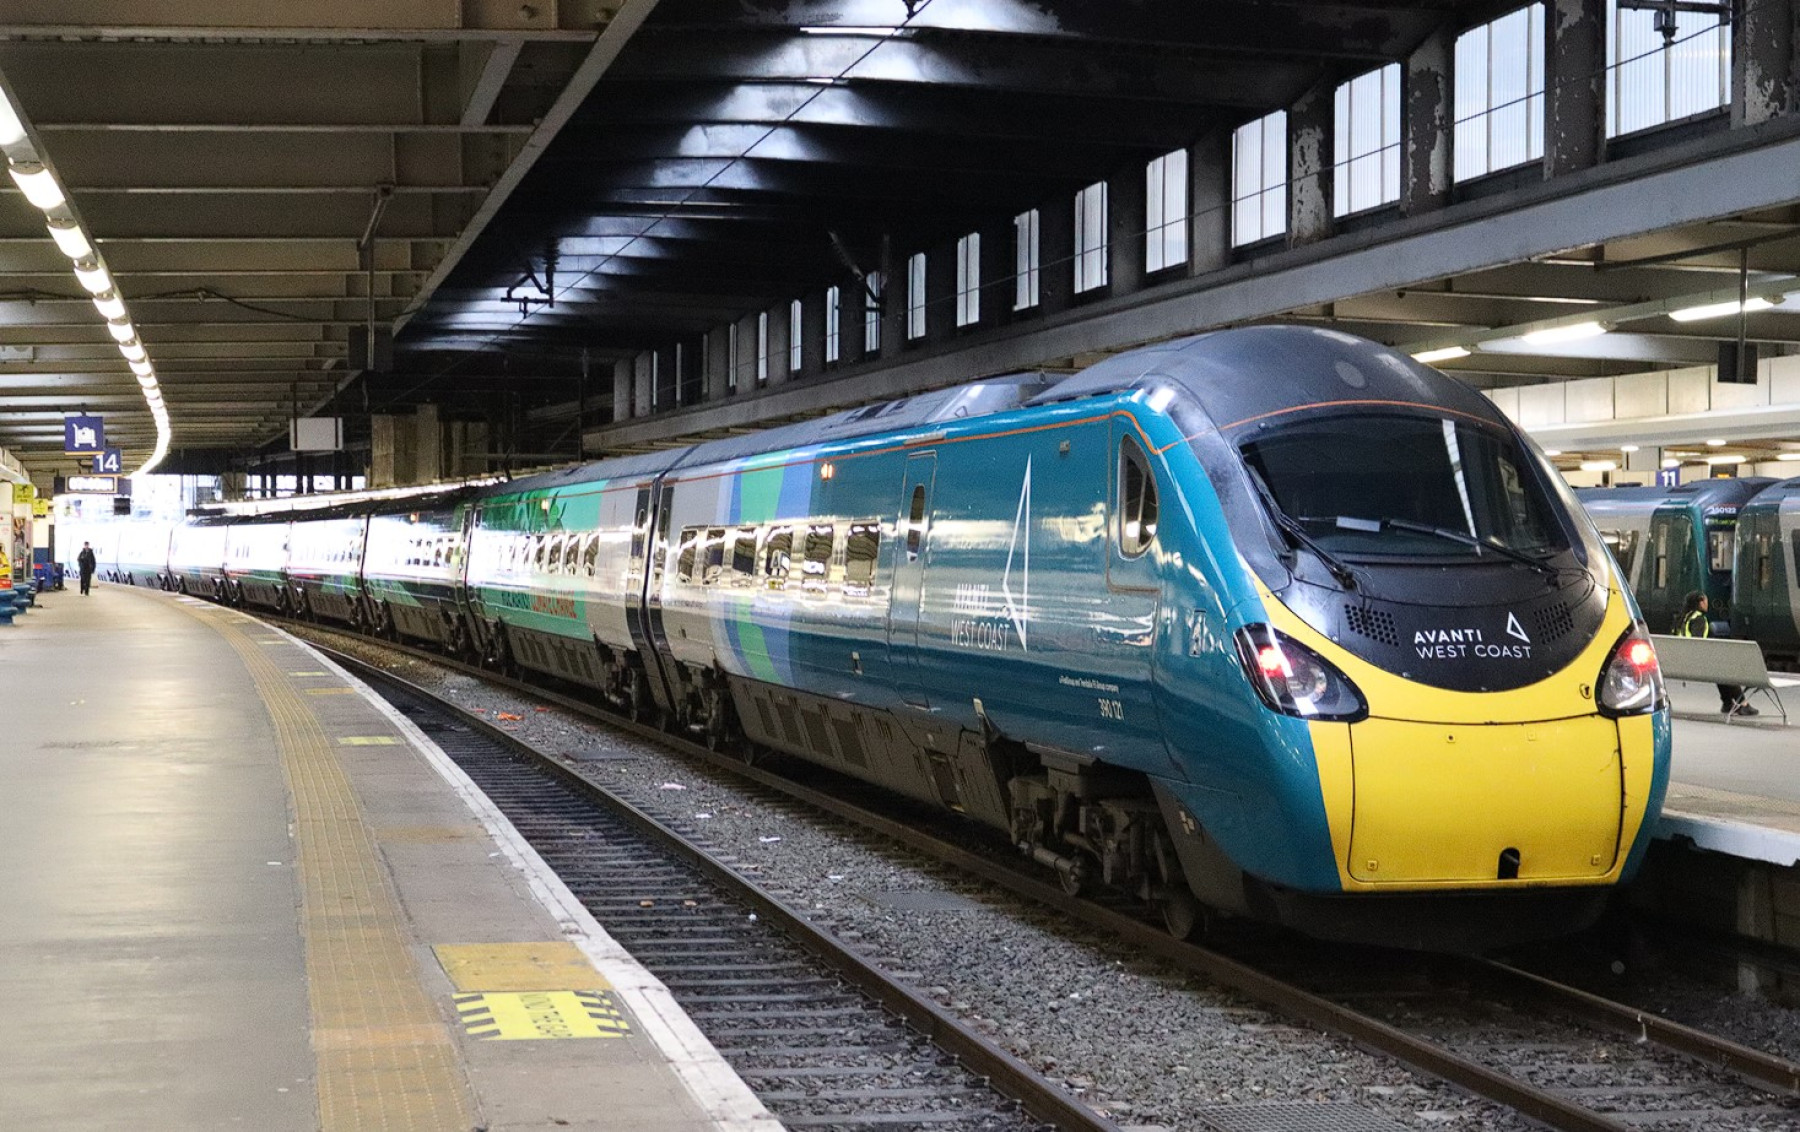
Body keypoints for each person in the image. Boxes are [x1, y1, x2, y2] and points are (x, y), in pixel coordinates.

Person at [1675, 590, 1757, 717]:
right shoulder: (1699, 619)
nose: (1707, 603)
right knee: (1724, 669)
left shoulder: (1682, 619)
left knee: (1719, 667)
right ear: (1700, 603)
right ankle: (1743, 704)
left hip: (1681, 662)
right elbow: (1698, 643)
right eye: (1705, 600)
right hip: (1695, 663)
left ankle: (1728, 703)